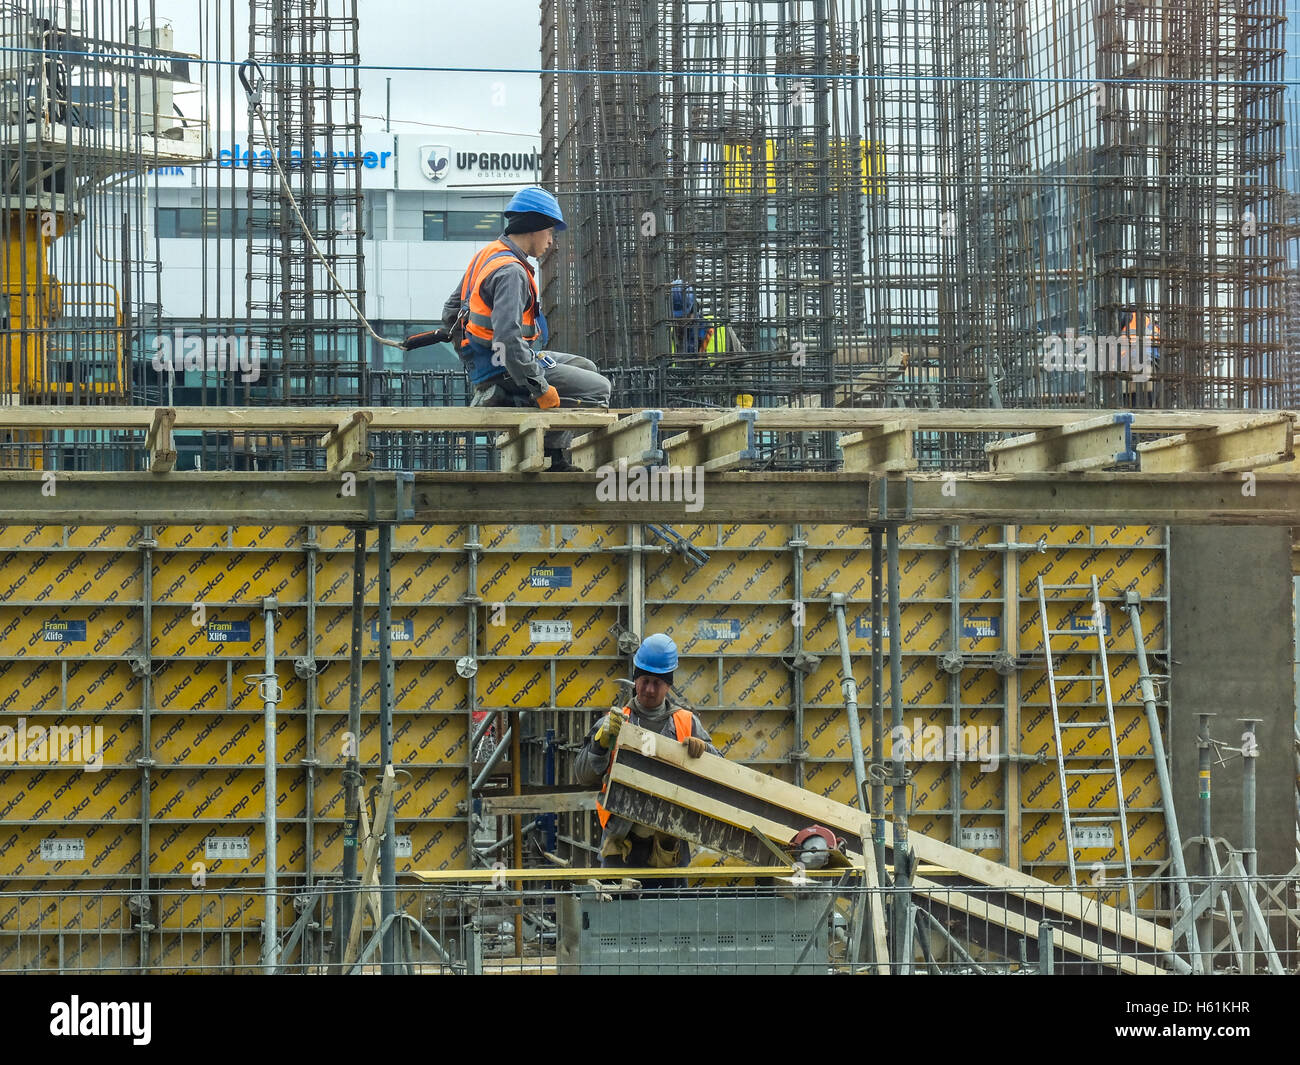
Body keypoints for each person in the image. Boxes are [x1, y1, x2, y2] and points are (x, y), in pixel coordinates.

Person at [409, 187, 612, 471]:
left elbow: (449, 312)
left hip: (493, 364)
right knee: (599, 389)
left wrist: (473, 358)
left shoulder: (489, 255)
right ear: (534, 227)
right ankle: (552, 455)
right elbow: (507, 340)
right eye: (550, 231)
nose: (552, 240)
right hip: (505, 367)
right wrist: (539, 388)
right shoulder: (512, 272)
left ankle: (510, 394)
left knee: (587, 367)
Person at [574, 632, 718, 888]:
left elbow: (721, 773)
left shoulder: (685, 722)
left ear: (668, 685)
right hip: (622, 846)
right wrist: (601, 742)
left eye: (657, 683)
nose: (650, 689)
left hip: (669, 847)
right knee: (621, 923)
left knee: (670, 925)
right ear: (635, 679)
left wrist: (703, 752)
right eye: (644, 680)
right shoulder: (615, 721)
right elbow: (583, 775)